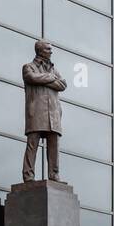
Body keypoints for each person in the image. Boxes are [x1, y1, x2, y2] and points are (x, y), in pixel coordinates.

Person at [21, 39, 66, 182]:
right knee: (32, 144)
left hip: (53, 114)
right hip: (37, 112)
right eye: (48, 49)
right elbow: (31, 78)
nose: (51, 51)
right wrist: (50, 78)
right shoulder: (28, 67)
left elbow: (63, 84)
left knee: (54, 145)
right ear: (40, 51)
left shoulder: (54, 69)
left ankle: (54, 174)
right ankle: (28, 175)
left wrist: (46, 79)